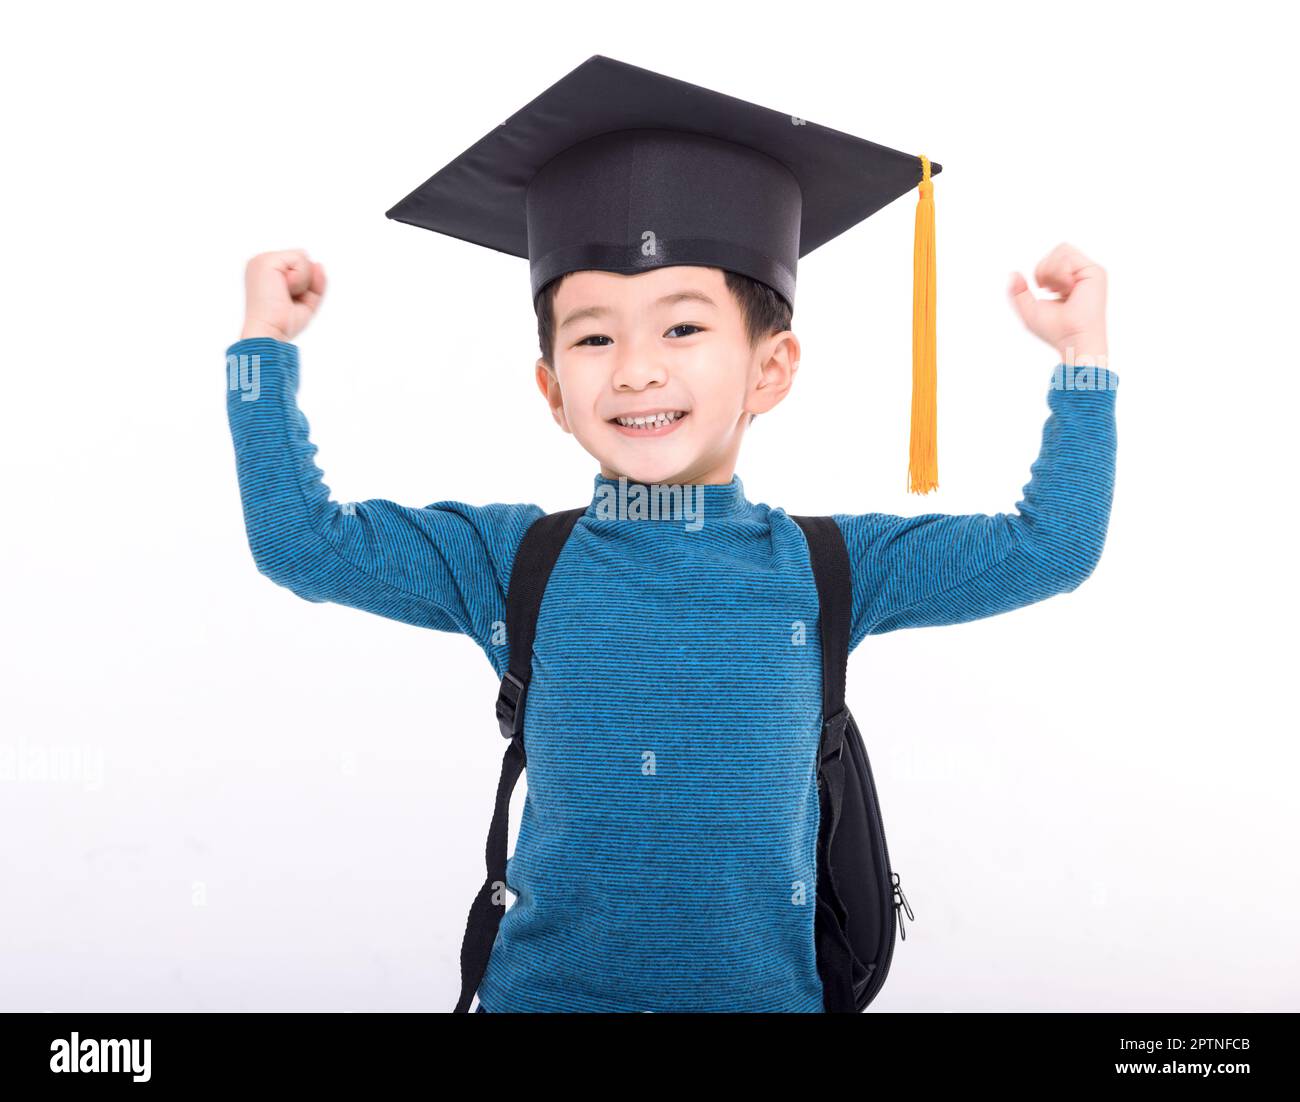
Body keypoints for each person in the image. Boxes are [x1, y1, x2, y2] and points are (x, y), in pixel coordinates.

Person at [223, 56, 1117, 1013]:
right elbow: (300, 543)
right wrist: (260, 353)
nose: (636, 371)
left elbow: (1049, 548)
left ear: (770, 372)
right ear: (552, 390)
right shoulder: (510, 564)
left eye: (683, 329)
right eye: (595, 338)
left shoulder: (830, 572)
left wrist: (1083, 357)